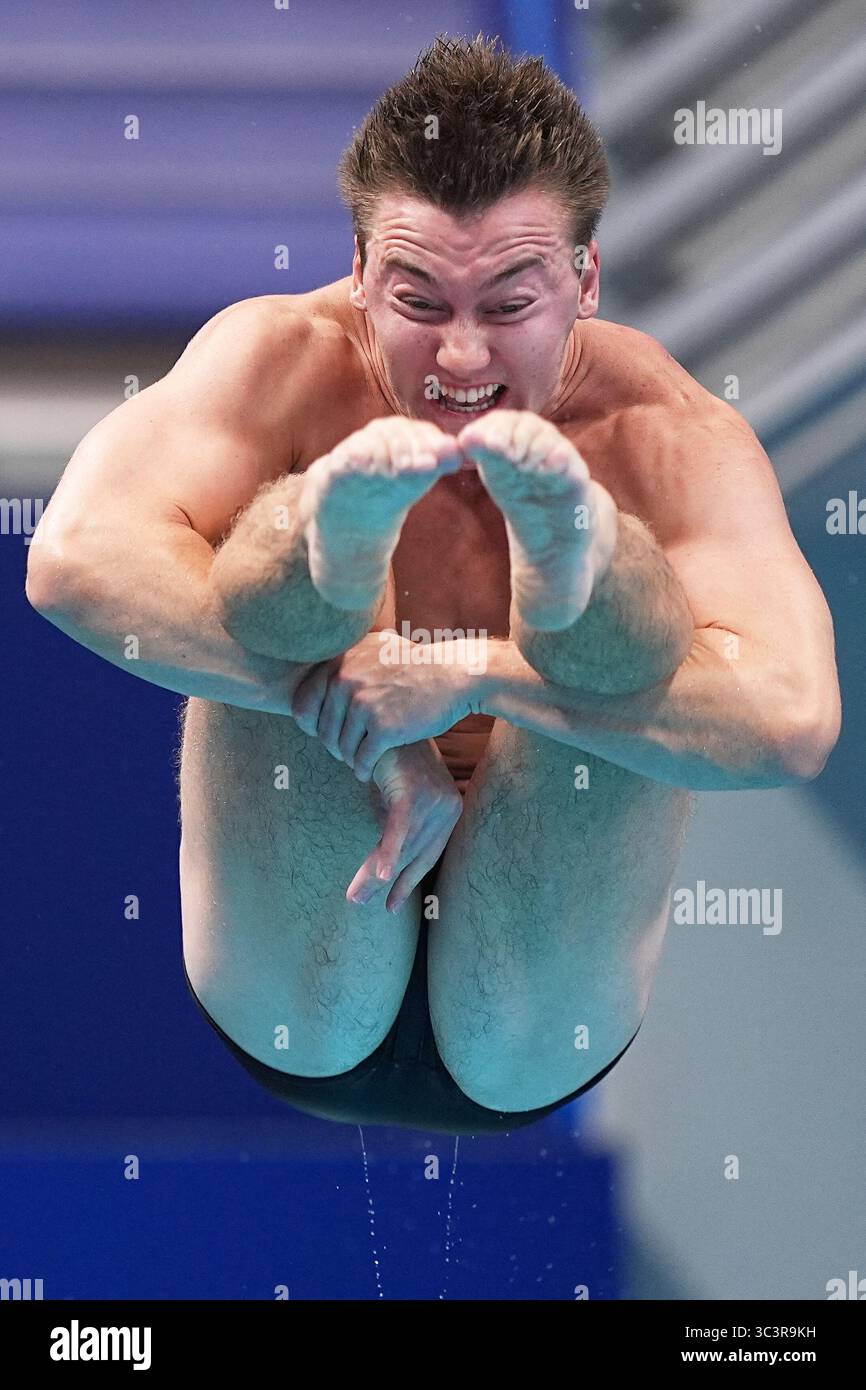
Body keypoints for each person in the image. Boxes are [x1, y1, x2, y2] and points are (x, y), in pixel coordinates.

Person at [26, 35, 841, 1134]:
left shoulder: (667, 432)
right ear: (359, 270)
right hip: (296, 978)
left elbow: (789, 724)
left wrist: (479, 678)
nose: (461, 358)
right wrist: (373, 719)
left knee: (614, 626)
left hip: (532, 1016)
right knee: (287, 571)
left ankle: (573, 558)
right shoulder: (277, 356)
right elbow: (73, 564)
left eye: (509, 301)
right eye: (418, 299)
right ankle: (333, 533)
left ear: (584, 280)